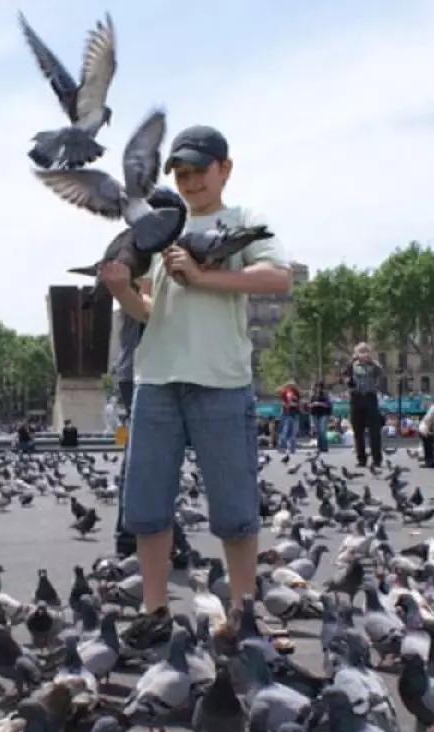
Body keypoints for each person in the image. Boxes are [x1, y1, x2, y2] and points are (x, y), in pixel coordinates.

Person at [100, 124, 290, 650]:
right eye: (180, 174)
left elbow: (278, 278)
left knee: (233, 507)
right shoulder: (159, 223)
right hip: (156, 379)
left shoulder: (245, 221)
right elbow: (149, 310)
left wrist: (204, 277)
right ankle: (154, 607)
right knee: (146, 506)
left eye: (197, 171)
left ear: (224, 168)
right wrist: (120, 288)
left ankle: (244, 610)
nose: (188, 181)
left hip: (220, 381)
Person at [112, 302, 147, 558]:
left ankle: (129, 532)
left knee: (140, 455)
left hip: (136, 371)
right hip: (142, 372)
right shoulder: (142, 271)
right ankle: (129, 533)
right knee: (142, 456)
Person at [344, 343, 385, 468]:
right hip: (356, 398)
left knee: (374, 430)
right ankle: (361, 459)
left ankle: (377, 459)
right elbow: (345, 377)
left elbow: (381, 374)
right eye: (361, 351)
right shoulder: (352, 365)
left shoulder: (374, 365)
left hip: (370, 397)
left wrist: (372, 362)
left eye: (366, 351)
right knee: (358, 431)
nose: (364, 353)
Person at [276, 380, 301, 453]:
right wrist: (285, 385)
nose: (291, 386)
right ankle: (282, 448)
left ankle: (292, 448)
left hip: (294, 413)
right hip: (286, 413)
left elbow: (298, 401)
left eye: (293, 385)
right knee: (284, 431)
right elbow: (278, 392)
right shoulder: (284, 391)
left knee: (293, 432)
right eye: (290, 385)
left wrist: (295, 404)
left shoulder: (296, 392)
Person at [309, 382, 332, 453]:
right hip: (315, 414)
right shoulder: (313, 395)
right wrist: (311, 405)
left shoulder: (325, 395)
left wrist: (319, 403)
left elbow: (328, 405)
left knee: (323, 431)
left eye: (319, 387)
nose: (317, 388)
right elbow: (310, 405)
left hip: (324, 414)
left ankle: (324, 447)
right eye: (316, 387)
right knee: (318, 431)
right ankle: (319, 447)